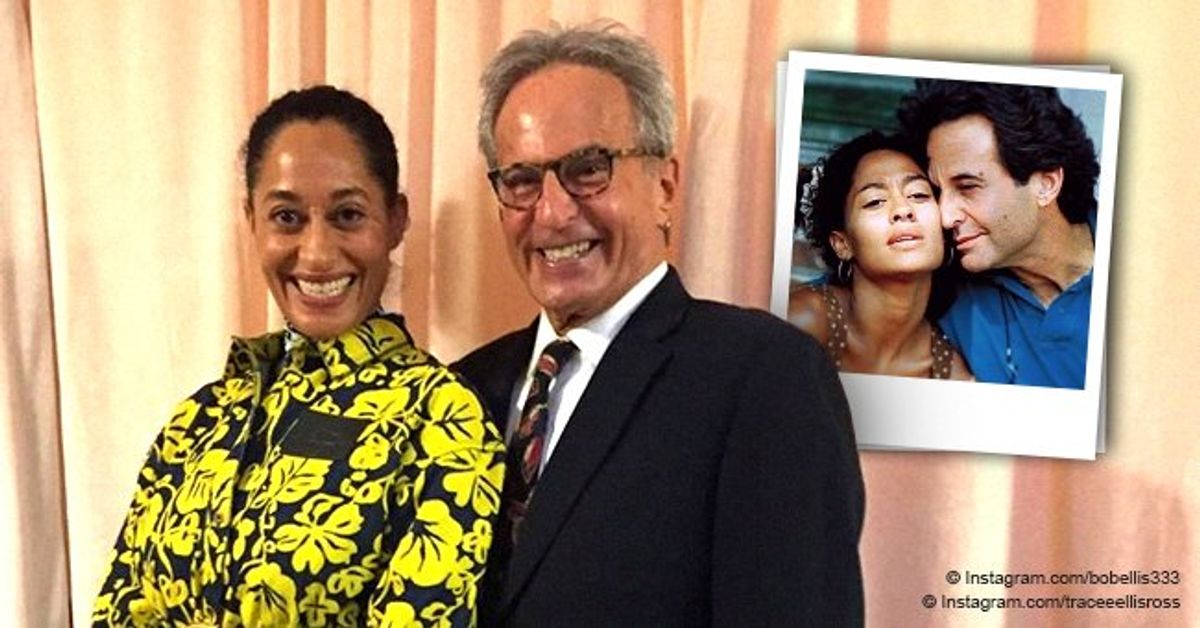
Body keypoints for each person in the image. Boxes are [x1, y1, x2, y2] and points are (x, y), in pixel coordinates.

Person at [454, 24, 864, 626]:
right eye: (522, 180)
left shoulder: (764, 376)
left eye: (587, 169)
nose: (553, 211)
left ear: (665, 187)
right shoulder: (462, 389)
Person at [93, 86, 505, 627]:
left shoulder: (441, 418)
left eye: (348, 215)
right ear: (252, 220)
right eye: (286, 217)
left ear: (395, 219)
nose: (316, 254)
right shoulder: (197, 422)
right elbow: (120, 609)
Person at [898, 80, 1100, 388]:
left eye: (967, 187)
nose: (945, 217)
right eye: (938, 191)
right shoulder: (944, 285)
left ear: (1046, 184)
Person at [790, 131, 972, 380]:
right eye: (875, 201)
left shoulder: (951, 374)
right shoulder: (802, 322)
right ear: (842, 244)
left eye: (918, 194)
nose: (903, 210)